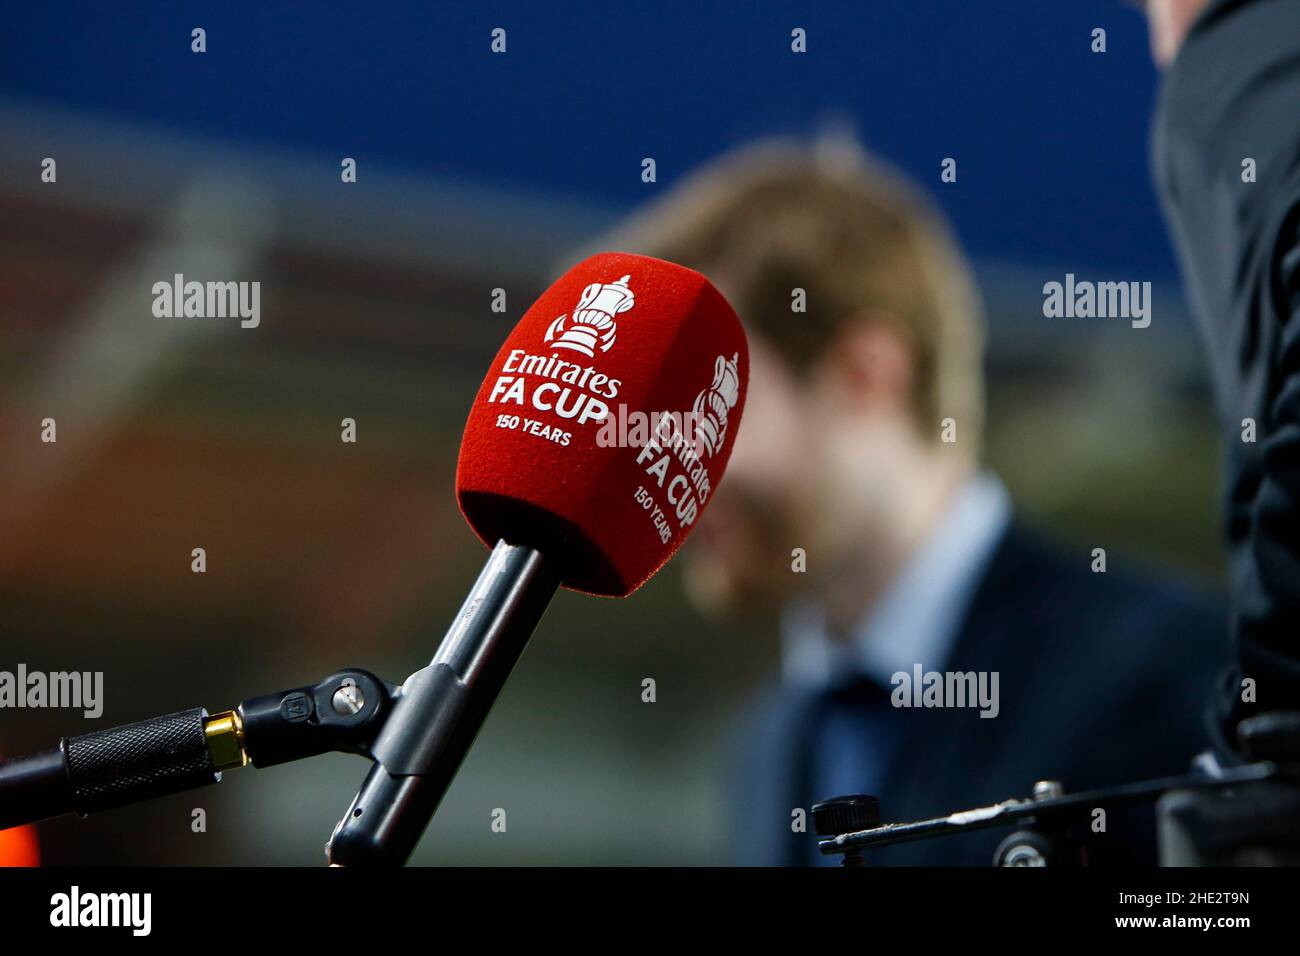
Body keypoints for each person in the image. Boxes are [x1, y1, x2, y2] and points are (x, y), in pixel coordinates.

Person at [599, 138, 1227, 865]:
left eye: (689, 412)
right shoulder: (767, 750)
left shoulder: (1167, 676)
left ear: (866, 375)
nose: (656, 469)